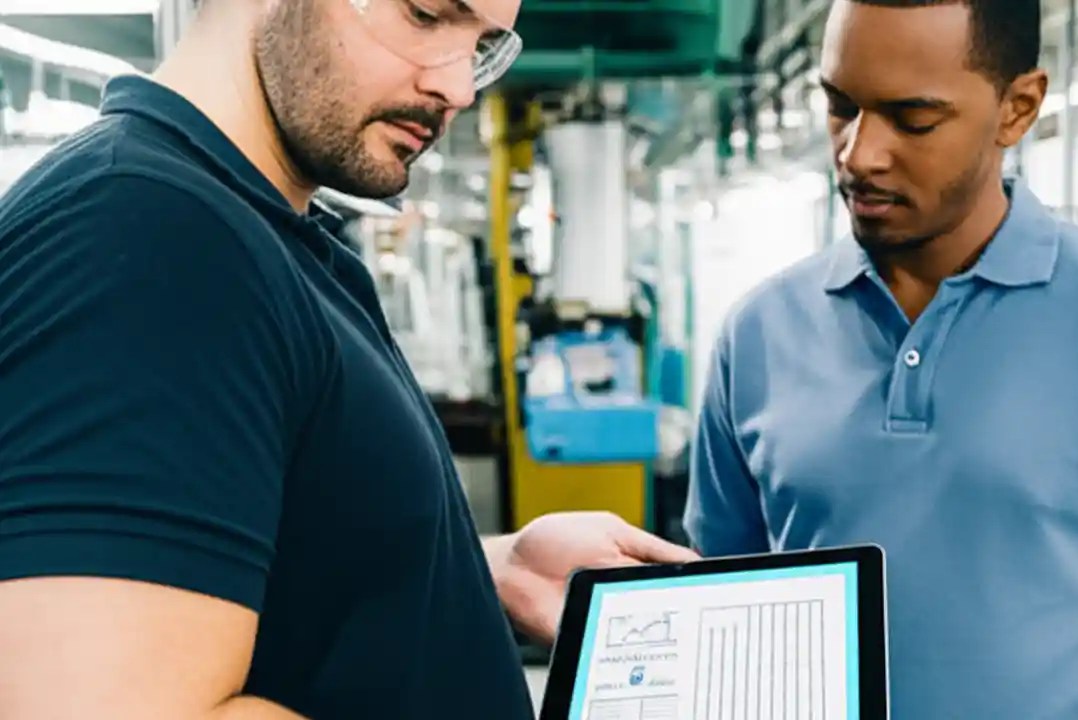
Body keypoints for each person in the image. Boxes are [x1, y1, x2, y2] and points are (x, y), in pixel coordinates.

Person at [0, 0, 697, 718]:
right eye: (426, 14)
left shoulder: (269, 236)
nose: (459, 88)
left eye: (483, 45)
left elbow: (251, 571)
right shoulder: (145, 236)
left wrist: (469, 569)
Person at [684, 1, 1078, 718]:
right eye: (841, 106)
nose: (859, 153)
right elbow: (719, 644)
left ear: (1018, 108)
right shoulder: (757, 337)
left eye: (914, 119)